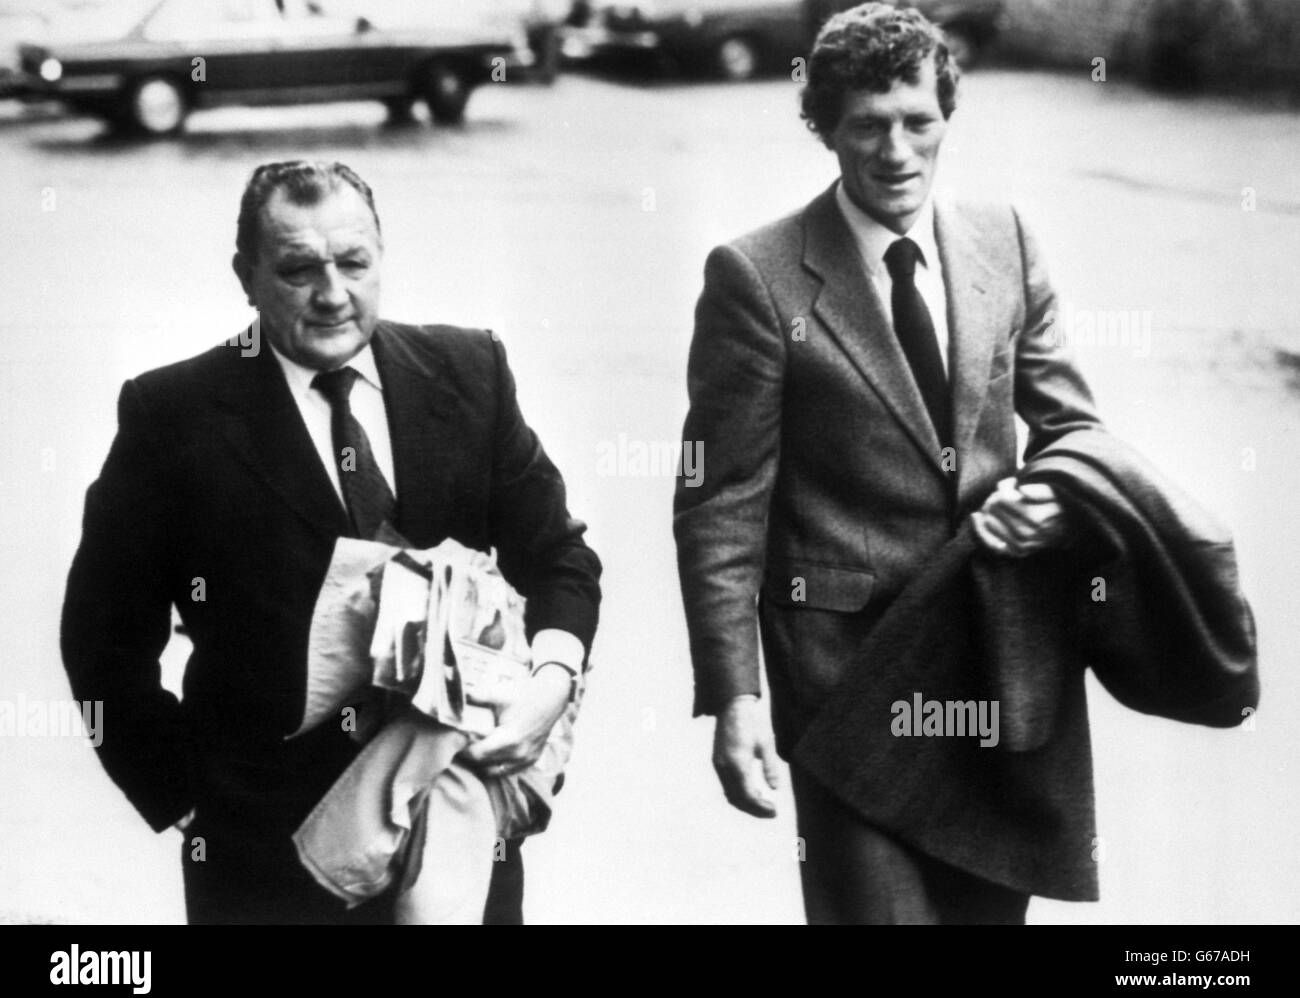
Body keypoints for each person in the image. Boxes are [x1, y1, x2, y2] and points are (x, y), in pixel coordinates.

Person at [62, 160, 601, 925]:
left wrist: (551, 683)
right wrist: (186, 802)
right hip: (264, 855)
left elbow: (560, 560)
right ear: (245, 277)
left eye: (353, 263)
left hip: (458, 813)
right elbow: (102, 644)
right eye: (296, 270)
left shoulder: (470, 370)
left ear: (382, 256)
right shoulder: (171, 417)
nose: (332, 294)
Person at [673, 3, 1104, 924]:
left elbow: (1071, 431)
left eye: (919, 122)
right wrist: (734, 696)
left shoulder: (1007, 240)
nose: (896, 151)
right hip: (846, 686)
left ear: (948, 117)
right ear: (824, 128)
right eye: (866, 125)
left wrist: (1055, 501)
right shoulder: (757, 277)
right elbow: (721, 504)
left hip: (998, 668)